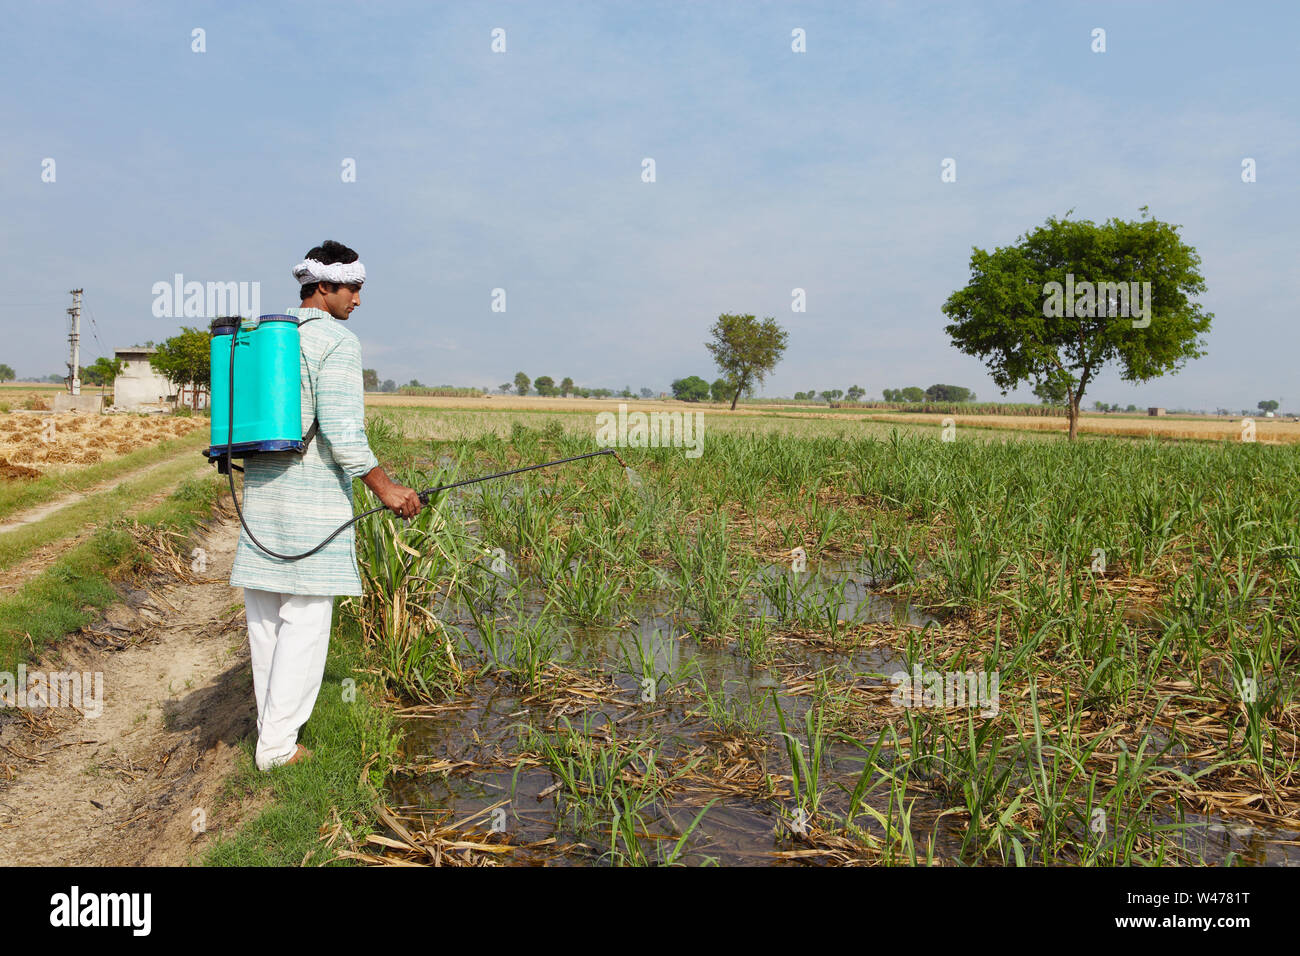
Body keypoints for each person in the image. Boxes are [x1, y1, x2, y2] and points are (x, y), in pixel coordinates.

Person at [228, 240, 421, 770]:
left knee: (266, 622)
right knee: (306, 626)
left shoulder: (268, 335)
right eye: (353, 289)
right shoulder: (336, 340)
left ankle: (271, 738)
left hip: (263, 497)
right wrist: (386, 488)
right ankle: (278, 749)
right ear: (324, 287)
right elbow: (341, 431)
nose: (358, 300)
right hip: (313, 502)